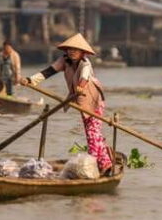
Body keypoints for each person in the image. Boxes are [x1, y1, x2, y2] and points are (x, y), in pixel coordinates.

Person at [20, 33, 113, 174]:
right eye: (70, 49)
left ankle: (98, 165)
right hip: (81, 100)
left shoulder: (85, 63)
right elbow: (49, 71)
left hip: (94, 100)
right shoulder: (64, 60)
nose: (72, 52)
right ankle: (104, 162)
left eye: (75, 50)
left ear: (82, 52)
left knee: (93, 133)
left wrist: (81, 86)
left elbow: (84, 77)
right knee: (92, 133)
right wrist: (30, 80)